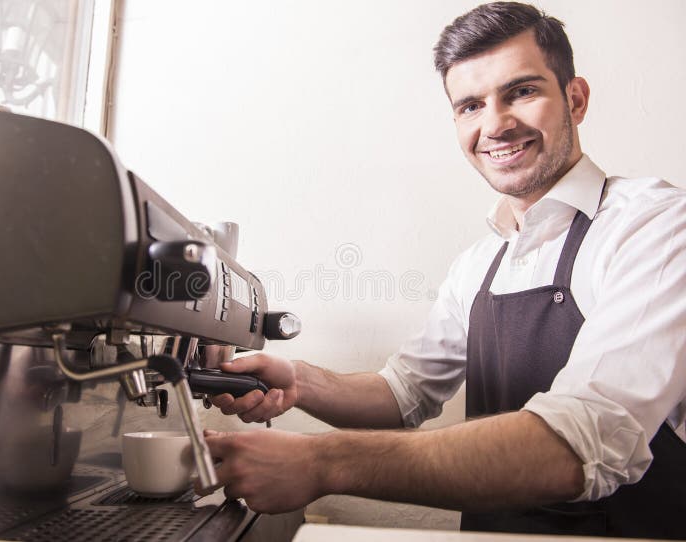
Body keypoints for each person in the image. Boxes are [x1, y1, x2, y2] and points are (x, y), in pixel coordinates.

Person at [201, 2, 686, 538]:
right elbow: (404, 393)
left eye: (522, 91)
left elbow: (585, 438)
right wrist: (299, 379)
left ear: (575, 98)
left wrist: (324, 463)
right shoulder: (479, 264)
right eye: (471, 105)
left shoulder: (656, 226)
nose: (496, 125)